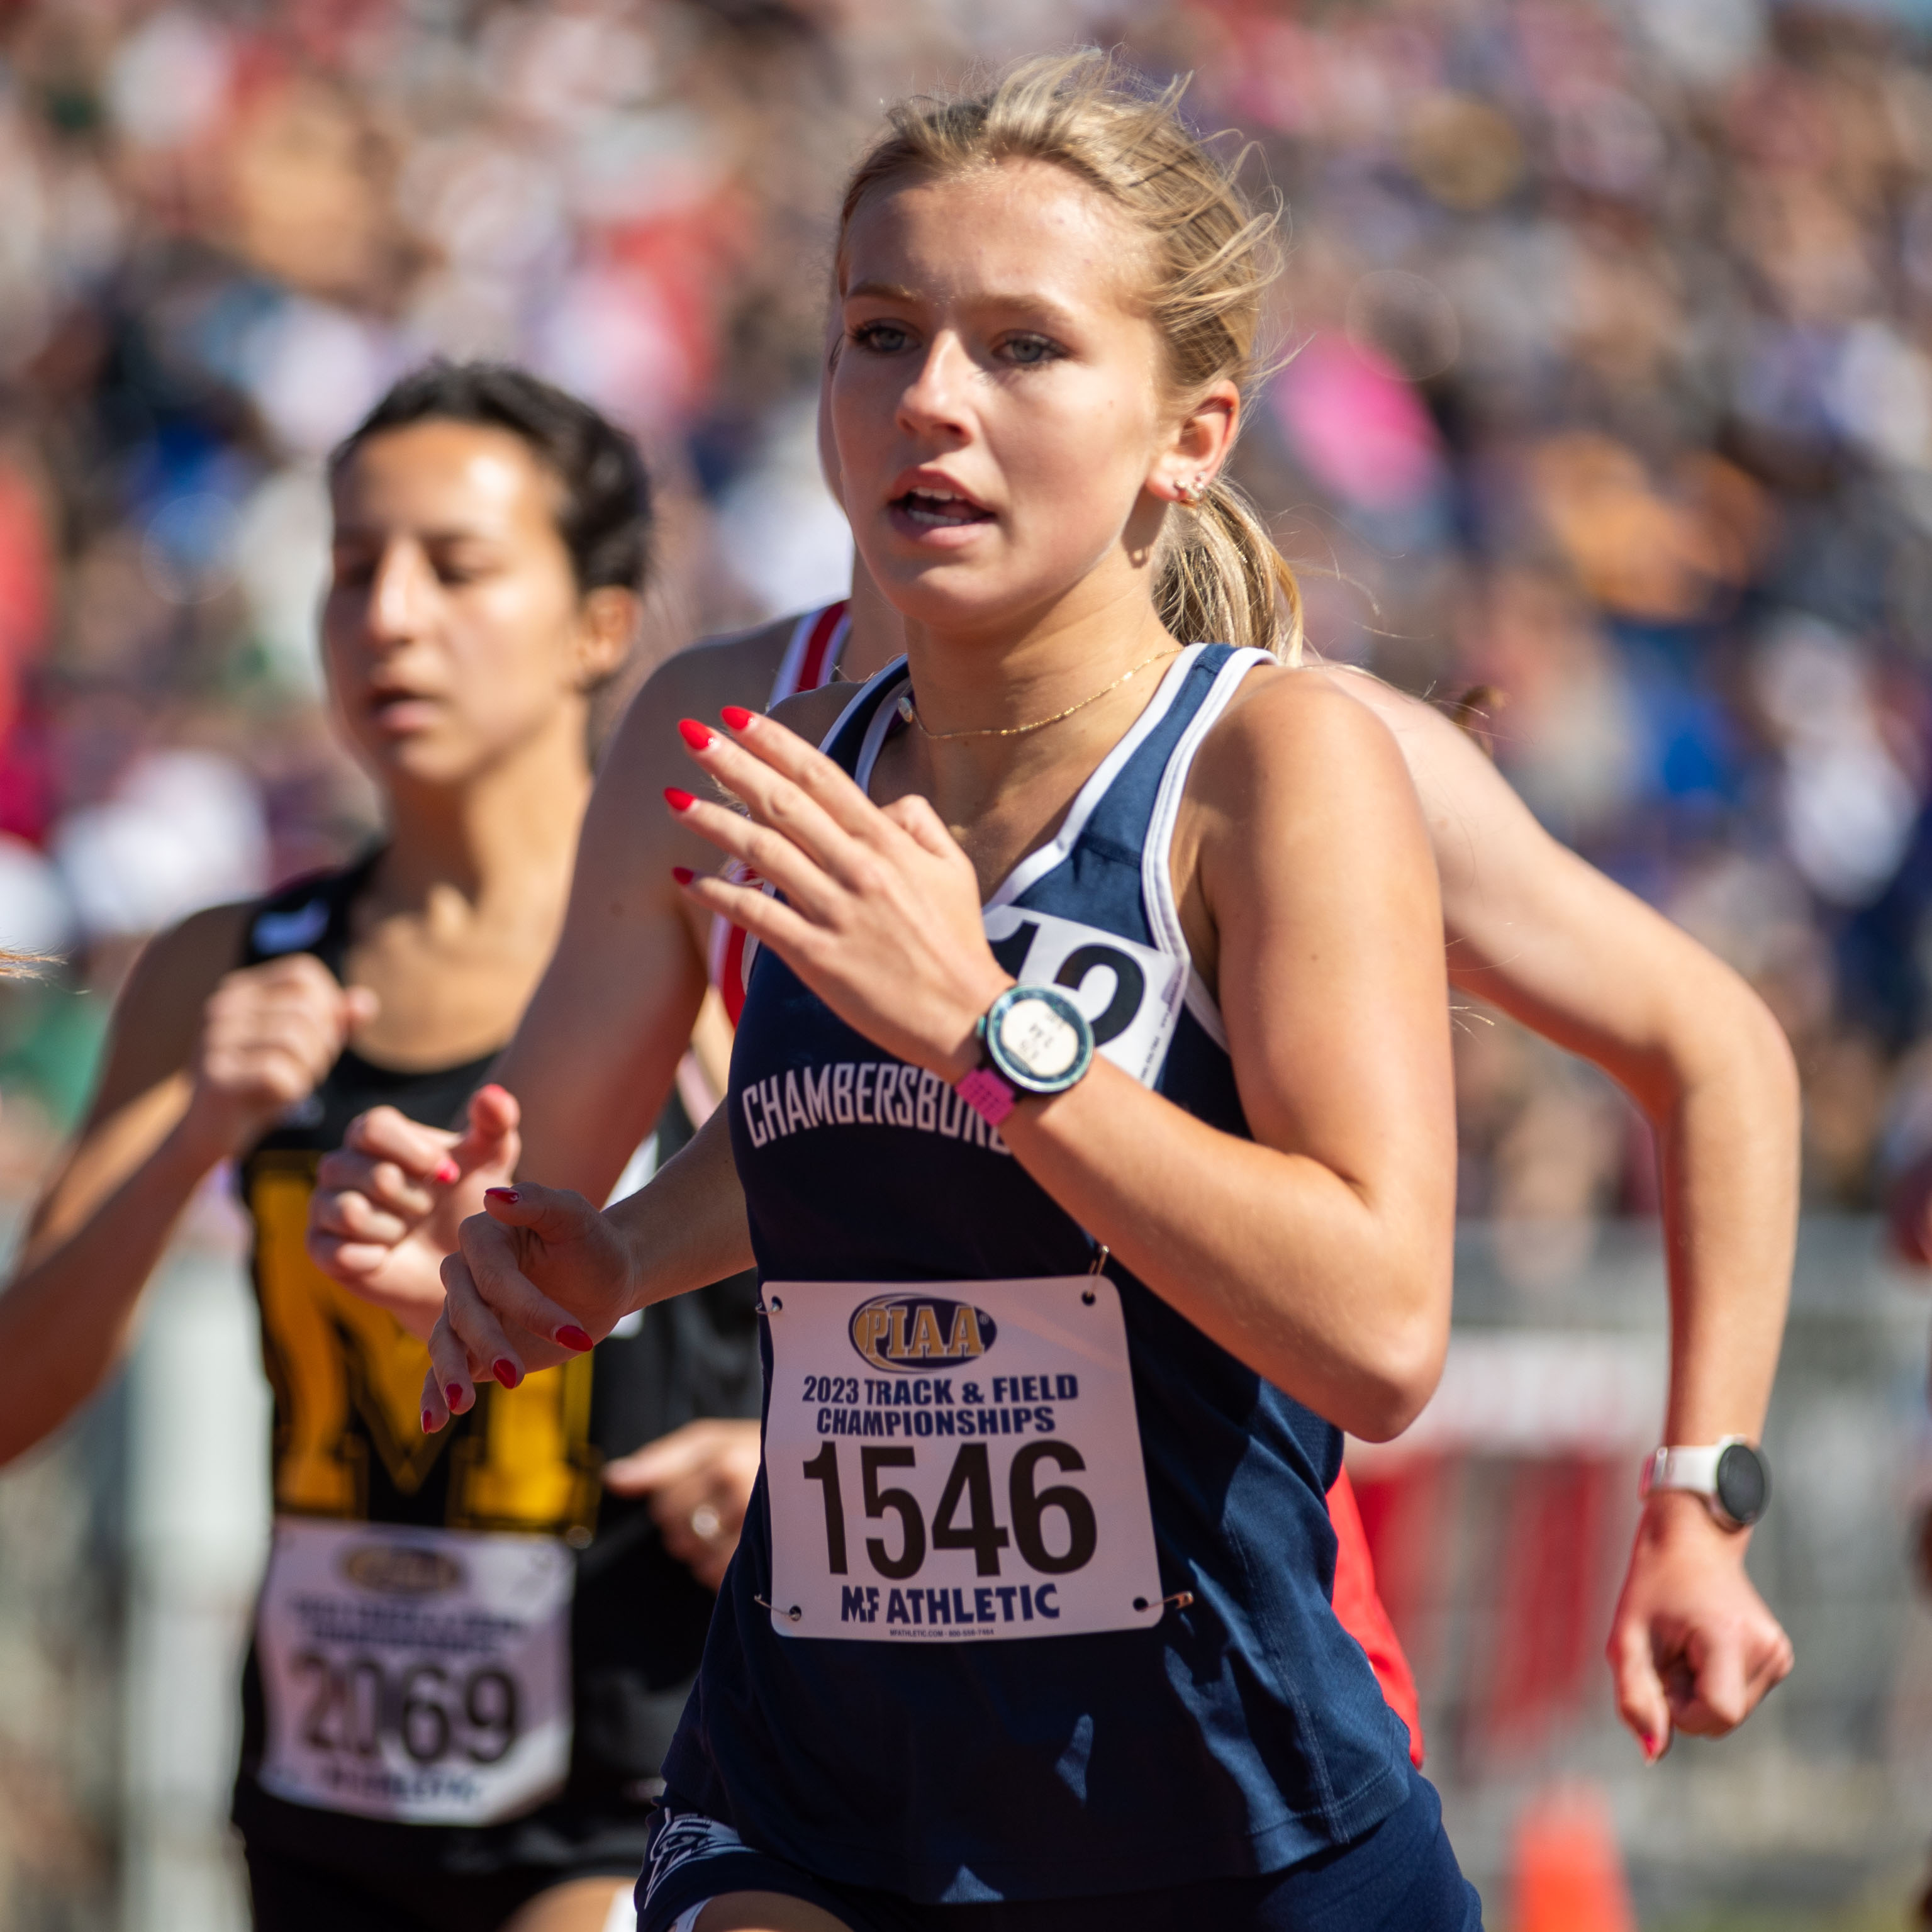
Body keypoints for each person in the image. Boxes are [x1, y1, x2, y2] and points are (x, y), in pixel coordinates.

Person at [423, 51, 1483, 1929]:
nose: (930, 401)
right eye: (881, 334)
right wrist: (601, 1258)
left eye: (1023, 350)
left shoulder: (1274, 767)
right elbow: (839, 1138)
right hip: (818, 1783)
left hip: (1212, 1818)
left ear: (1193, 432)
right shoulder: (800, 757)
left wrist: (996, 1032)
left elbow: (1381, 1330)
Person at [0, 362, 753, 1932]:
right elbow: (14, 1401)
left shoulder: (713, 950)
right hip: (325, 1798)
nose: (389, 617)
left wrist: (784, 1461)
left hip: (646, 1774)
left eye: (457, 568)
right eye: (353, 567)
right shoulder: (229, 968)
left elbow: (897, 1311)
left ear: (602, 626)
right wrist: (195, 1131)